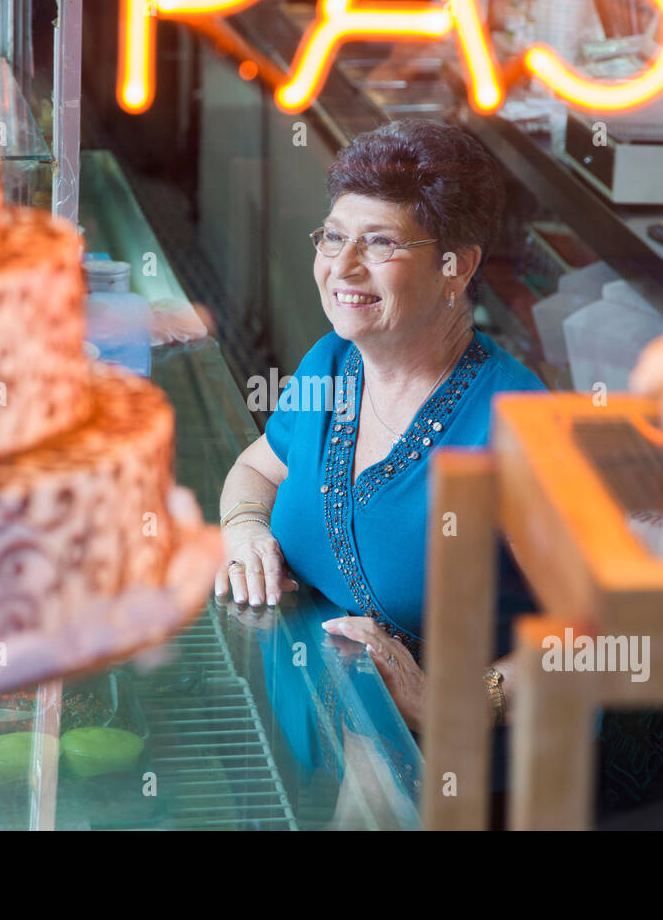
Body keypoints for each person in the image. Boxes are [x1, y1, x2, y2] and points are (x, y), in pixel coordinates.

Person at [214, 119, 545, 759]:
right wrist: (245, 530)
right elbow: (257, 468)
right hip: (313, 729)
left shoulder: (517, 427)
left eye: (380, 244)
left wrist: (453, 701)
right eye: (333, 237)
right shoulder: (332, 363)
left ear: (458, 266)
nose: (343, 267)